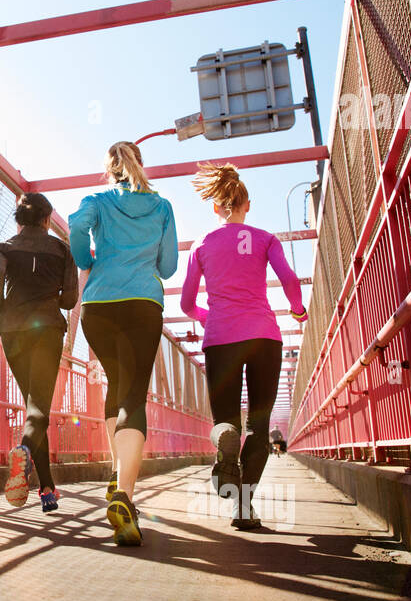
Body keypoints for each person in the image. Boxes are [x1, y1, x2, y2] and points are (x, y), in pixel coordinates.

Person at [180, 163, 306, 530]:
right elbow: (290, 282)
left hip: (221, 338)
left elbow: (187, 304)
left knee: (225, 421)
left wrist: (207, 316)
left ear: (215, 208)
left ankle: (224, 440)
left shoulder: (202, 245)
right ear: (246, 205)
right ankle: (244, 507)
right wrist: (297, 313)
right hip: (264, 336)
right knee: (260, 424)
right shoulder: (266, 239)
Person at [68, 141, 177, 545]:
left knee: (115, 386)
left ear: (109, 169)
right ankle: (125, 497)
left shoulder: (96, 200)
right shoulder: (162, 207)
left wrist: (87, 260)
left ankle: (117, 476)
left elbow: (76, 227)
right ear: (139, 165)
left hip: (98, 306)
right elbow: (168, 266)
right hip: (141, 303)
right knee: (133, 395)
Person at [0, 192, 79, 513]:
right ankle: (24, 453)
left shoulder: (2, 249)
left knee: (33, 409)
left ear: (19, 219)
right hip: (47, 331)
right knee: (38, 409)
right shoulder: (62, 250)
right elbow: (69, 301)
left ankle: (47, 488)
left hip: (12, 331)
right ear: (45, 219)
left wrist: (1, 322)